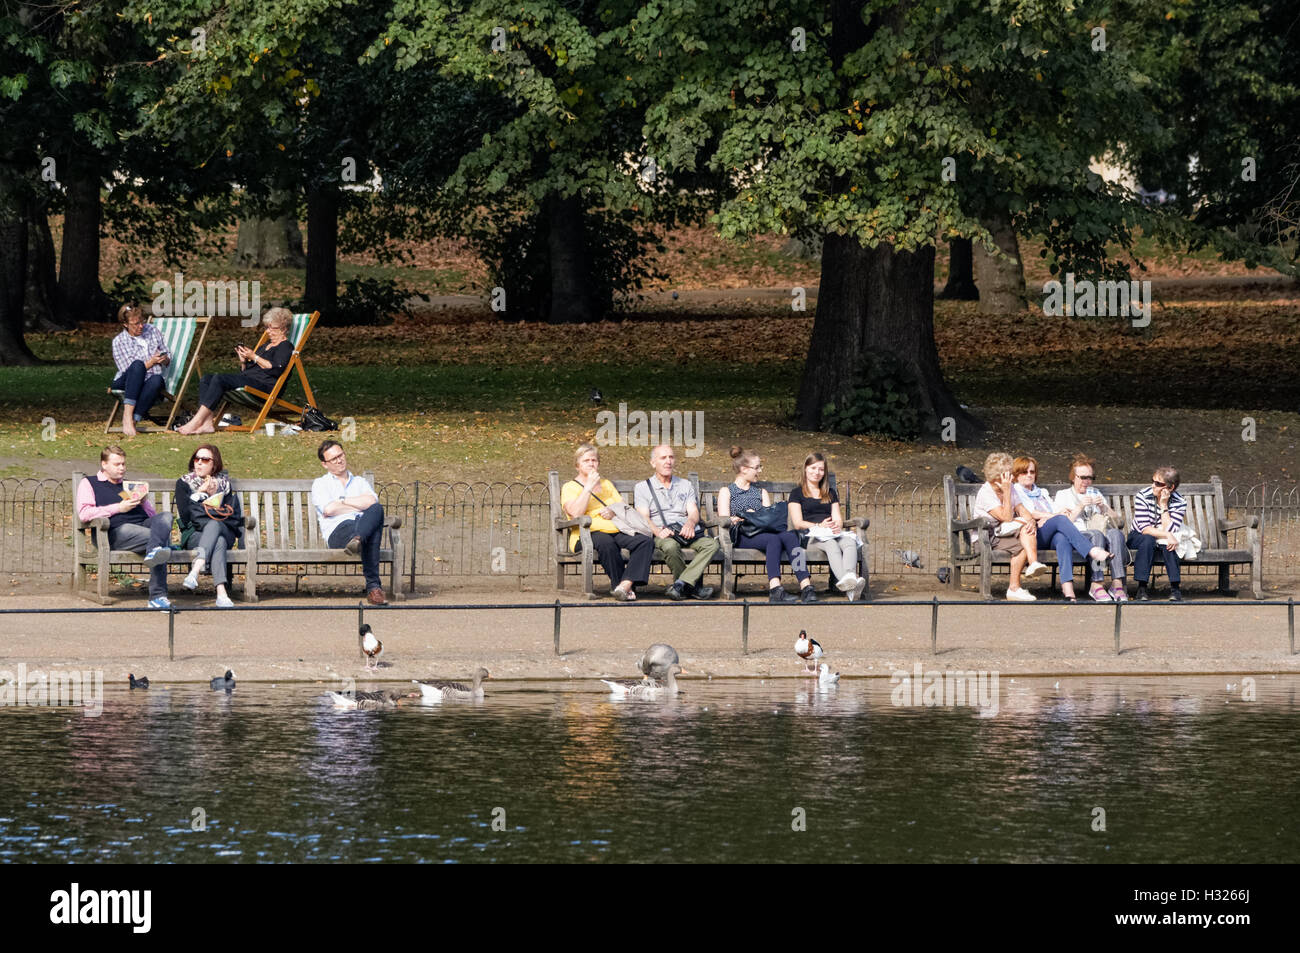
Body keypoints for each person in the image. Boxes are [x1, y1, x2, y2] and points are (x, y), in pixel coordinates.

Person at [75, 445, 174, 608]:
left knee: (166, 517)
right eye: (117, 464)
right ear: (104, 464)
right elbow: (85, 513)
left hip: (142, 529)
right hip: (113, 533)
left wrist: (143, 502)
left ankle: (155, 553)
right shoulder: (89, 483)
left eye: (123, 464)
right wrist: (118, 508)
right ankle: (158, 595)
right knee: (158, 541)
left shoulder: (129, 485)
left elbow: (153, 517)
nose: (122, 468)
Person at [718, 446, 815, 604]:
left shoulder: (760, 492)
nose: (759, 471)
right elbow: (724, 520)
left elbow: (768, 519)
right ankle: (775, 589)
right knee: (774, 540)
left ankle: (806, 586)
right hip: (742, 535)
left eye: (759, 467)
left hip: (763, 532)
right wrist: (745, 516)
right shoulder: (727, 491)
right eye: (756, 468)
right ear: (743, 469)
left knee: (790, 536)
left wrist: (755, 515)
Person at [177, 308, 294, 435]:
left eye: (272, 328)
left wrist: (254, 357)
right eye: (267, 327)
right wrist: (244, 361)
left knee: (220, 379)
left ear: (283, 328)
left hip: (265, 386)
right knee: (207, 378)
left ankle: (196, 421)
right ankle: (207, 423)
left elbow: (276, 368)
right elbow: (248, 370)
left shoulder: (285, 346)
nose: (268, 331)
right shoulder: (264, 346)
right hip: (250, 380)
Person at [1012, 456, 1111, 602]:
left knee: (1062, 539)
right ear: (1015, 475)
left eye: (1032, 472)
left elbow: (1052, 512)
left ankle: (1068, 589)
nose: (1028, 475)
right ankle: (1092, 551)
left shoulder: (1042, 492)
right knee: (1060, 519)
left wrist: (1054, 515)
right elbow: (1028, 512)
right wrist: (1053, 515)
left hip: (1049, 532)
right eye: (1023, 472)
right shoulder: (1015, 491)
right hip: (1032, 535)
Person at [561, 443, 652, 601]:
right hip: (586, 534)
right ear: (577, 466)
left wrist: (613, 510)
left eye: (594, 460)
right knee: (606, 542)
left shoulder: (606, 484)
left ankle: (624, 585)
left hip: (616, 528)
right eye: (586, 461)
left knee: (644, 541)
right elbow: (575, 513)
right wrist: (588, 487)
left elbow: (622, 506)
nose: (591, 463)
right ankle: (619, 585)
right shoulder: (570, 487)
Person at [633, 444, 718, 600]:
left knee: (711, 545)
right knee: (671, 546)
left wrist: (690, 524)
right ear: (653, 463)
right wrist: (658, 532)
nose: (668, 461)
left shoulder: (685, 485)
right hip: (662, 532)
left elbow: (693, 511)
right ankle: (692, 588)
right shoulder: (642, 487)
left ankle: (679, 585)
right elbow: (644, 517)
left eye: (671, 457)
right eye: (663, 458)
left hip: (685, 531)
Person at [311, 440, 388, 604]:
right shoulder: (320, 484)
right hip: (338, 533)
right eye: (334, 459)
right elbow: (329, 510)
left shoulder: (360, 481)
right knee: (370, 526)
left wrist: (342, 501)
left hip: (360, 531)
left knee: (377, 510)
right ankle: (374, 588)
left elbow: (372, 503)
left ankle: (358, 539)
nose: (339, 460)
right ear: (325, 464)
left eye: (341, 455)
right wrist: (358, 507)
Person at [788, 452, 866, 601]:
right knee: (831, 544)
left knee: (849, 542)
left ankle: (849, 581)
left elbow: (838, 519)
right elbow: (798, 523)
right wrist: (819, 525)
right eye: (813, 468)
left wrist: (836, 526)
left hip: (832, 533)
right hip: (811, 535)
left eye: (821, 469)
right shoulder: (797, 493)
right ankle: (852, 586)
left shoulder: (830, 493)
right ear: (805, 469)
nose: (817, 472)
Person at [175, 444, 244, 608]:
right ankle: (221, 593)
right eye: (196, 459)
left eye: (205, 459)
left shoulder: (224, 484)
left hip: (225, 529)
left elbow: (230, 515)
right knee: (217, 540)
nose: (199, 463)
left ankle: (195, 569)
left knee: (216, 525)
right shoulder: (184, 483)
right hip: (195, 534)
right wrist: (200, 494)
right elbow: (185, 516)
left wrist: (214, 496)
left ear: (215, 463)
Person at [1053, 454, 1129, 602]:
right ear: (1073, 477)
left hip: (1099, 535)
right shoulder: (1063, 495)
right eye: (1083, 477)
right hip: (1078, 537)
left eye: (1090, 478)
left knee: (1115, 534)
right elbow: (1062, 523)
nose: (1086, 482)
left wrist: (1104, 507)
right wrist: (1080, 506)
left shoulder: (1095, 492)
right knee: (1097, 535)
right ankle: (1097, 583)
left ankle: (1117, 584)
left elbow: (1118, 522)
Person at [971, 452, 1037, 601]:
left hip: (1002, 534)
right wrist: (1007, 492)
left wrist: (1031, 520)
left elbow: (1020, 508)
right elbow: (1007, 517)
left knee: (1025, 541)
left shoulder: (1010, 487)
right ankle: (1014, 588)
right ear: (998, 477)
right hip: (985, 538)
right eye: (1008, 474)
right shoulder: (986, 492)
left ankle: (1014, 588)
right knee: (1021, 544)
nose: (1012, 477)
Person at [1127, 466, 1188, 602]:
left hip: (1163, 537)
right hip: (1138, 536)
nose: (1153, 486)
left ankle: (1175, 588)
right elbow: (1144, 528)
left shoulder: (1180, 502)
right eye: (1153, 481)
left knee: (1170, 544)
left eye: (1158, 484)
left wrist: (1164, 506)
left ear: (1170, 488)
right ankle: (1142, 588)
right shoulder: (1142, 495)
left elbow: (1170, 529)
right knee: (1149, 539)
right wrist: (1167, 535)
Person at [109, 303, 170, 437]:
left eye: (141, 321)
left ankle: (133, 421)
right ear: (125, 324)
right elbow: (128, 370)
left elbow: (166, 352)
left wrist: (164, 359)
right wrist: (152, 362)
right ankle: (127, 415)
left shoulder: (152, 330)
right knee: (137, 365)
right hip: (126, 382)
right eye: (135, 324)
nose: (141, 326)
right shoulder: (119, 341)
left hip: (150, 382)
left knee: (157, 380)